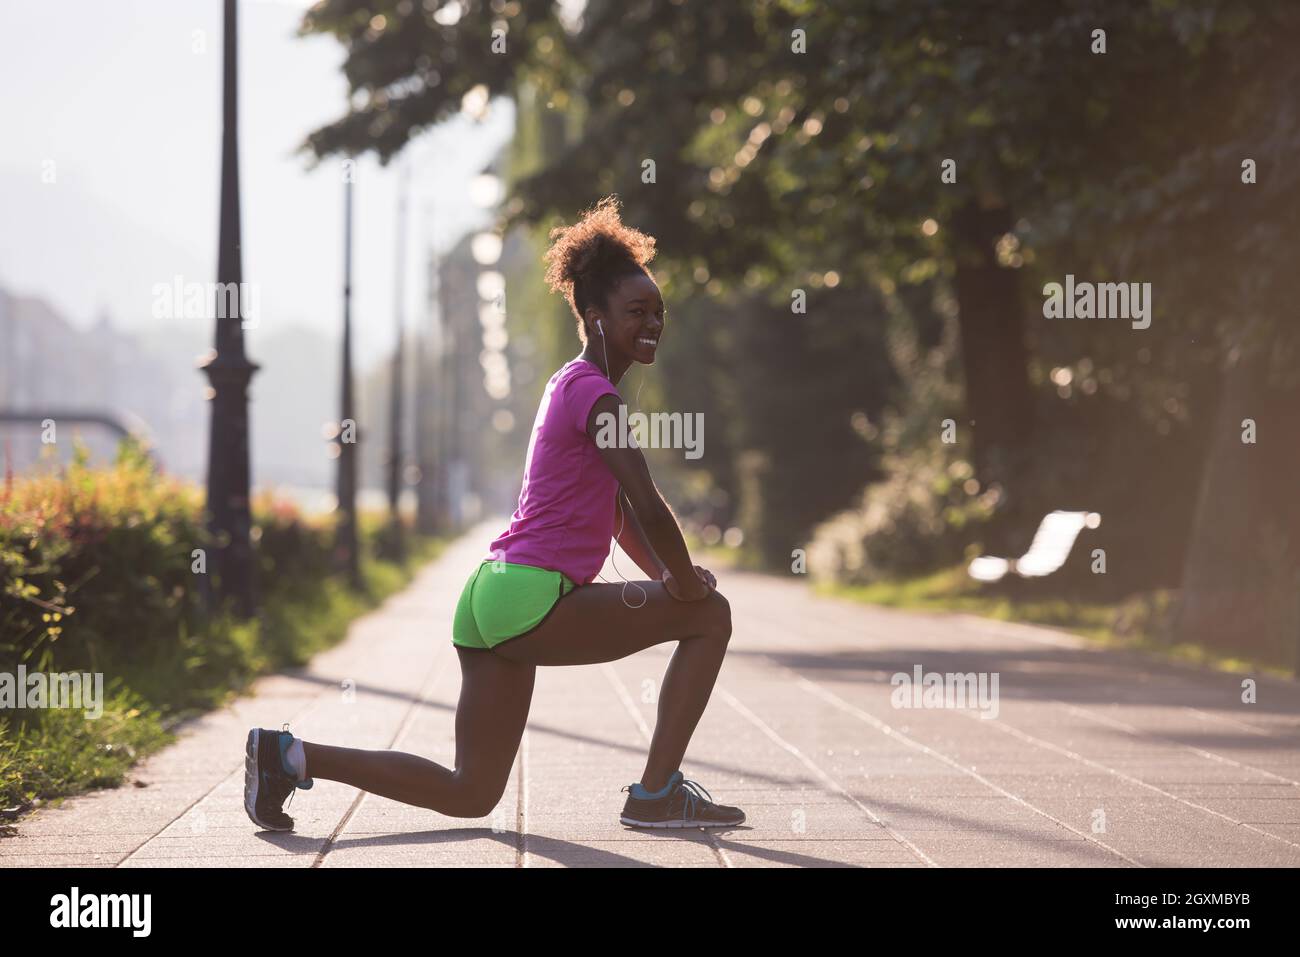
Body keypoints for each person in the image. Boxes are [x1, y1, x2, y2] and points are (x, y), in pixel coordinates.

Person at [244, 195, 743, 833]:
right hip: (531, 599)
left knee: (470, 792)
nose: (653, 323)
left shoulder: (570, 385)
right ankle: (656, 794)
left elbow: (619, 513)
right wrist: (683, 586)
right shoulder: (598, 397)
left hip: (488, 595)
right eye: (636, 311)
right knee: (712, 615)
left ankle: (287, 756)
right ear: (595, 319)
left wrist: (674, 577)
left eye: (658, 311)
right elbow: (646, 501)